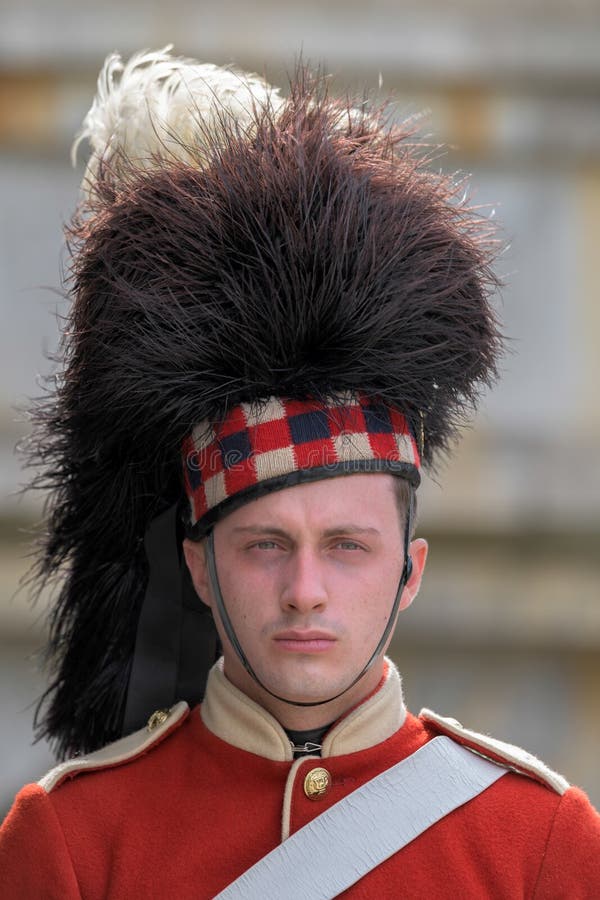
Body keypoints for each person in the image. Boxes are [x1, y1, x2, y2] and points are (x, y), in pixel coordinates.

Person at [1, 47, 599, 899]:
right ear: (200, 565)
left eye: (349, 545)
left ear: (409, 570)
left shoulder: (545, 845)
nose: (304, 589)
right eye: (264, 544)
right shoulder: (71, 844)